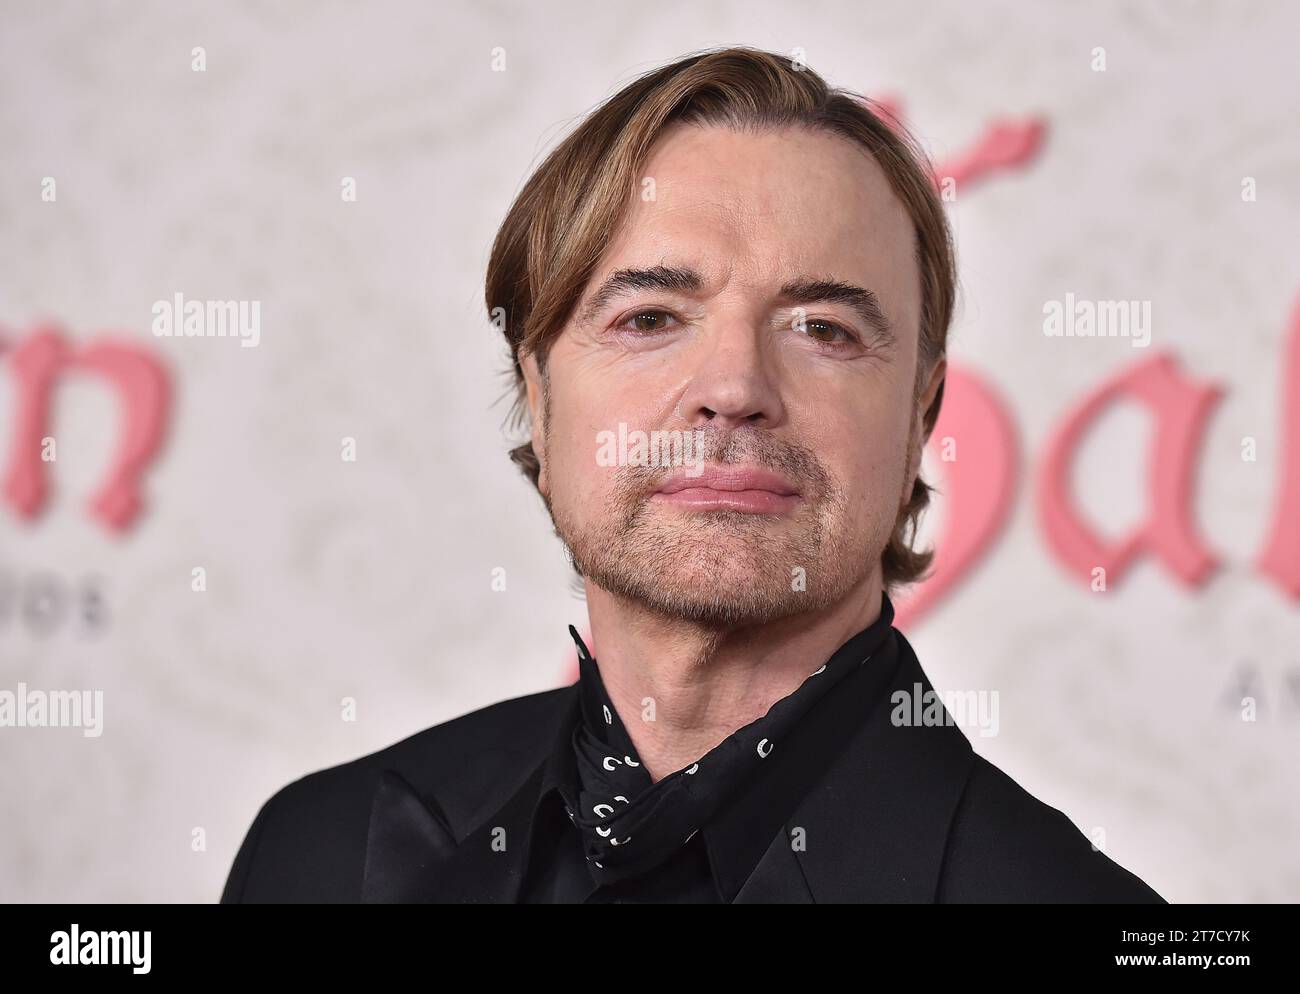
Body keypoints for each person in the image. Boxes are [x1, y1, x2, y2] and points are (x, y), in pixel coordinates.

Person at [221, 45, 1165, 904]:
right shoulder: (316, 854)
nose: (733, 388)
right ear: (538, 397)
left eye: (824, 330)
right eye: (650, 318)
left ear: (921, 412)